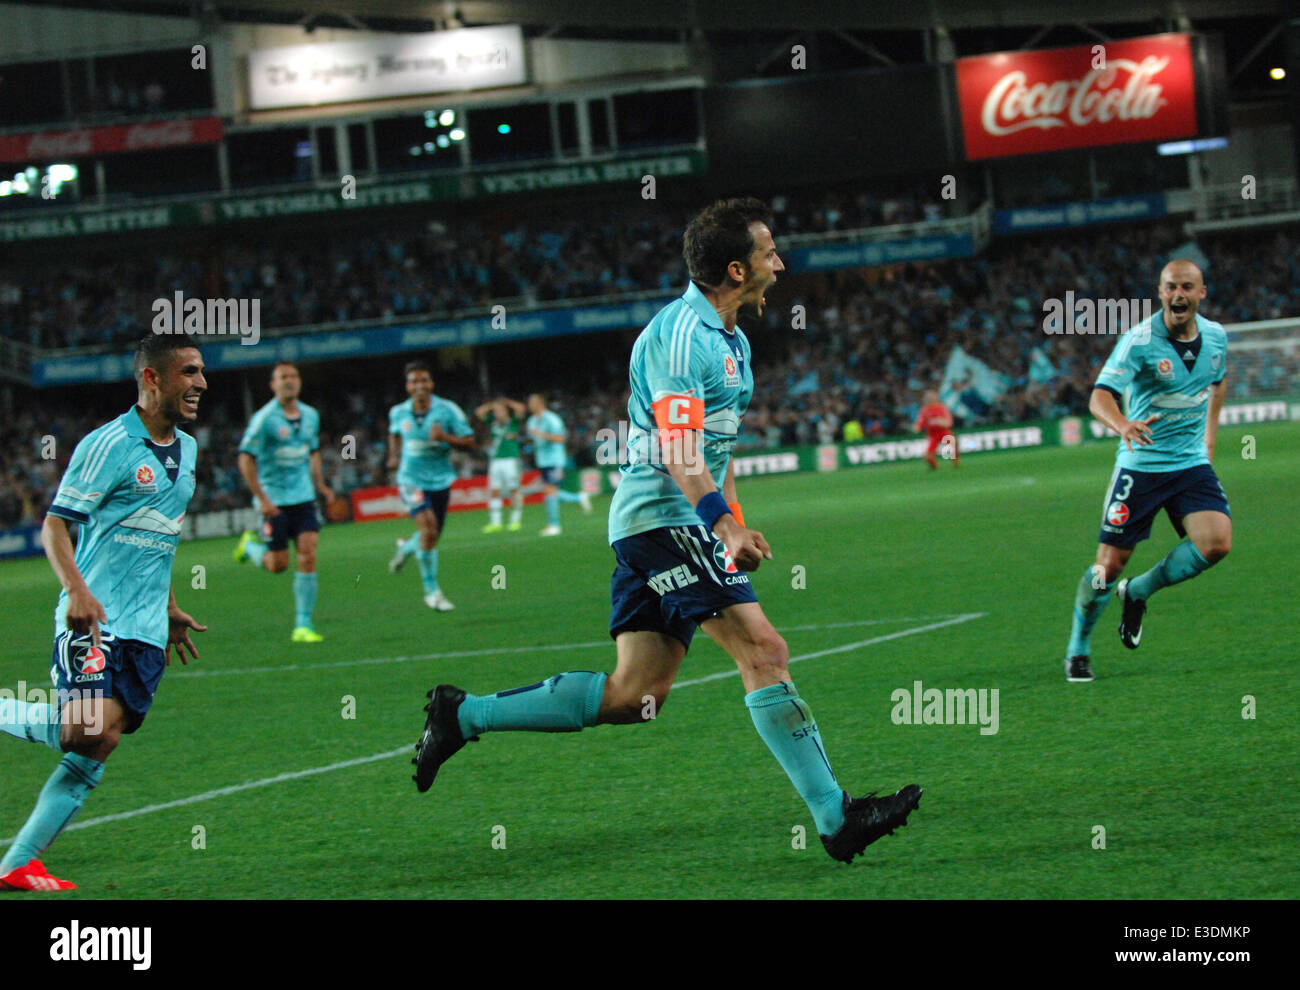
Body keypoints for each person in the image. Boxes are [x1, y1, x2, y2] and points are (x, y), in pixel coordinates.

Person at [412, 198, 922, 863]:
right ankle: (836, 818)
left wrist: (732, 524)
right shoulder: (681, 336)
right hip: (664, 519)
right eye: (770, 252)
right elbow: (682, 451)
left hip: (671, 522)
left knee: (634, 695)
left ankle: (463, 714)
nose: (781, 261)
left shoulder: (730, 338)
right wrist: (720, 526)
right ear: (737, 269)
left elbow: (715, 450)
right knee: (763, 651)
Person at [0, 334, 208, 890]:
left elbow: (164, 535)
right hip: (94, 618)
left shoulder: (187, 451)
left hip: (144, 632)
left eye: (201, 372)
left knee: (102, 739)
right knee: (81, 729)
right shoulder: (109, 443)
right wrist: (75, 591)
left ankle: (18, 861)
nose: (201, 383)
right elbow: (54, 525)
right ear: (152, 379)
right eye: (188, 372)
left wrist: (168, 607)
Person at [1062, 259, 1230, 682]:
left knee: (1216, 544)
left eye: (1187, 287)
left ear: (1201, 293)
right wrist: (1123, 425)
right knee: (1106, 569)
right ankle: (1078, 648)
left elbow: (1219, 382)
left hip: (1190, 463)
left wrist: (1209, 439)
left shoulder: (1217, 338)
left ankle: (1138, 592)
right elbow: (1099, 397)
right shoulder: (1138, 341)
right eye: (1171, 287)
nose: (1179, 295)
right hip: (1142, 466)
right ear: (1160, 292)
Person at [233, 362, 334, 642]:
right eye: (283, 377)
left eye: (293, 376)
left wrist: (320, 485)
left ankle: (303, 625)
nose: (289, 381)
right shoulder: (264, 419)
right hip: (274, 501)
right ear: (273, 385)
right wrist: (261, 498)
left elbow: (312, 451)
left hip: (303, 497)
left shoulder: (311, 415)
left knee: (309, 552)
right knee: (278, 565)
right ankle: (250, 546)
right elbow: (245, 458)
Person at [386, 362, 475, 610]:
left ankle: (406, 547)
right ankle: (432, 592)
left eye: (424, 380)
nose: (419, 386)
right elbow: (394, 433)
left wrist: (445, 438)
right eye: (414, 381)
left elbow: (470, 443)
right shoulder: (398, 412)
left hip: (440, 480)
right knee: (428, 530)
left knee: (431, 536)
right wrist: (393, 455)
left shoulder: (448, 410)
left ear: (431, 384)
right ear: (408, 386)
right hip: (410, 480)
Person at [526, 393, 590, 535]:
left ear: (540, 403)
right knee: (550, 491)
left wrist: (541, 434)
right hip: (542, 460)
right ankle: (578, 498)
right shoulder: (531, 421)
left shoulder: (552, 419)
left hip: (554, 459)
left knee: (550, 490)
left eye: (532, 401)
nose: (529, 404)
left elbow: (561, 438)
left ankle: (554, 525)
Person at [474, 397, 527, 533]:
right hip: (496, 460)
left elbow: (521, 408)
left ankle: (515, 520)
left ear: (506, 411)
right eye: (495, 411)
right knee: (494, 490)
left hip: (511, 459)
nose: (497, 413)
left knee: (514, 489)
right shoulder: (493, 423)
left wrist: (507, 402)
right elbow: (478, 412)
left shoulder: (513, 422)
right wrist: (492, 405)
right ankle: (495, 522)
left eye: (500, 410)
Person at [913, 388, 957, 469]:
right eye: (928, 397)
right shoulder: (924, 411)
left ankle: (955, 464)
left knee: (951, 449)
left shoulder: (942, 408)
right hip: (932, 435)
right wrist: (917, 428)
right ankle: (934, 467)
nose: (930, 399)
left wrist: (941, 422)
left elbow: (949, 423)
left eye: (931, 397)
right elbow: (919, 423)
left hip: (944, 432)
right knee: (928, 456)